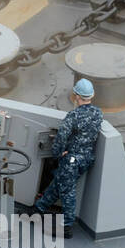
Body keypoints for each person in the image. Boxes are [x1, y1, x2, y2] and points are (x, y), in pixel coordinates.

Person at [32, 79, 104, 238]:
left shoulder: (73, 116)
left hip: (72, 160)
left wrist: (58, 153)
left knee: (67, 192)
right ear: (91, 96)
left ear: (76, 96)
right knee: (59, 183)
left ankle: (66, 227)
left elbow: (61, 138)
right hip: (86, 159)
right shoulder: (98, 113)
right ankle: (38, 209)